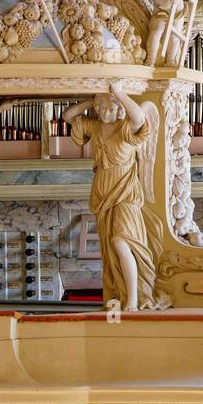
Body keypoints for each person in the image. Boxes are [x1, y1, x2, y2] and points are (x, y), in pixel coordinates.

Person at [63, 85, 165, 311]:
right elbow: (68, 116)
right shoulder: (95, 126)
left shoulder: (126, 128)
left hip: (125, 194)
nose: (102, 112)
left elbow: (139, 116)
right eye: (100, 108)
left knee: (121, 241)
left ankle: (134, 299)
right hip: (102, 194)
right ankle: (122, 293)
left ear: (119, 109)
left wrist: (117, 92)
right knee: (111, 249)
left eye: (108, 109)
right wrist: (93, 99)